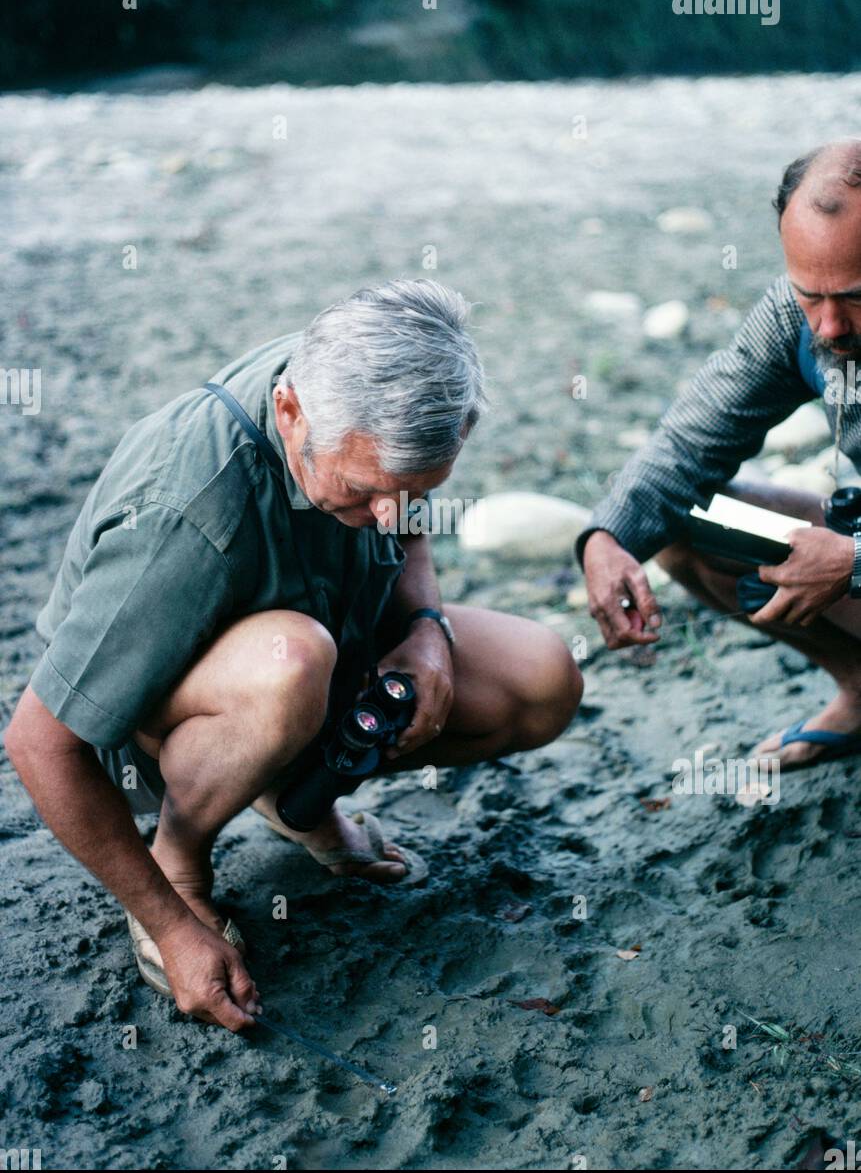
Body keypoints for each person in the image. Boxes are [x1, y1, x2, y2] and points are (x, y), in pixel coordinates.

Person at [5, 279, 582, 1032]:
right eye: (365, 490)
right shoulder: (182, 509)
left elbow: (398, 512)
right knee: (291, 662)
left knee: (542, 678)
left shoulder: (363, 391)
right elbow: (40, 742)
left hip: (311, 655)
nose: (392, 514)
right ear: (288, 412)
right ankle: (180, 864)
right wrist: (174, 932)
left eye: (414, 491)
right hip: (165, 722)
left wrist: (427, 631)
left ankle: (294, 795)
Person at [580, 139, 861, 771]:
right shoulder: (798, 318)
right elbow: (688, 444)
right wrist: (605, 538)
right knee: (685, 520)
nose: (830, 328)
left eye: (857, 298)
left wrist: (857, 558)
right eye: (810, 295)